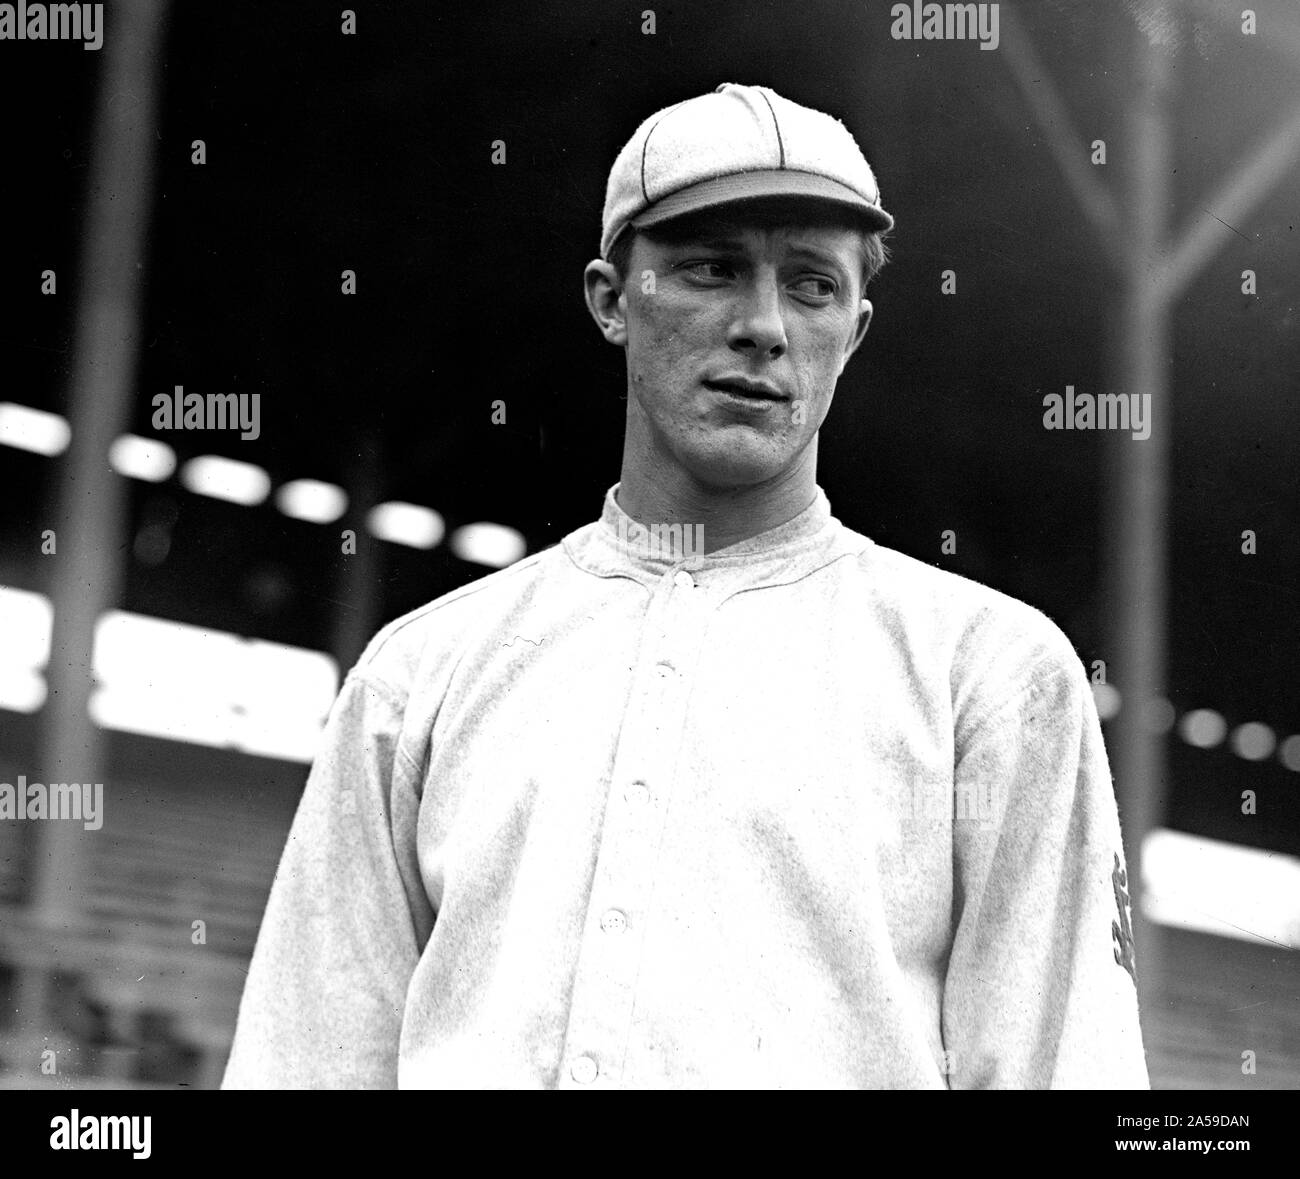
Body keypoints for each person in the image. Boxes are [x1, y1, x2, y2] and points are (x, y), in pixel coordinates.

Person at [222, 83, 1149, 1090]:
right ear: (613, 300)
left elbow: (1069, 1075)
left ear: (857, 329)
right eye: (713, 270)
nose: (762, 325)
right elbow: (304, 1062)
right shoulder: (420, 673)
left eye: (810, 285)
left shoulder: (992, 674)